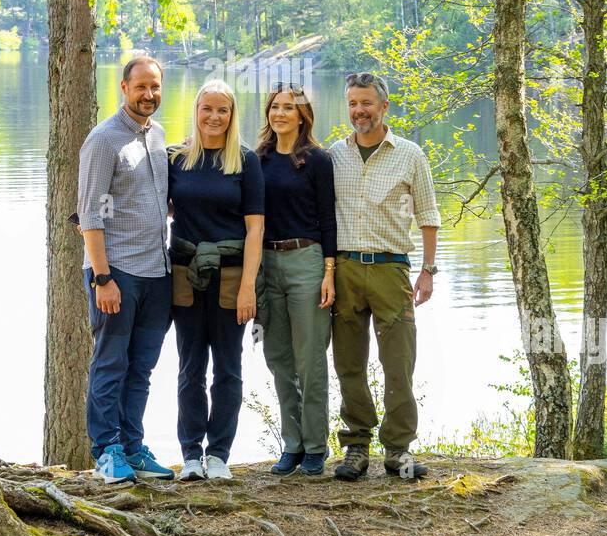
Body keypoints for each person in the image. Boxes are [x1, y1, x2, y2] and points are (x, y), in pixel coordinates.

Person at [328, 71, 440, 481]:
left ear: (384, 106)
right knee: (348, 364)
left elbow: (429, 217)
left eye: (367, 103)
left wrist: (427, 272)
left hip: (392, 269)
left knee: (399, 364)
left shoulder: (410, 154)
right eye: (354, 104)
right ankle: (356, 446)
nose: (360, 111)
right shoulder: (334, 155)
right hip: (345, 270)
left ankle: (398, 451)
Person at [77, 56, 174, 485]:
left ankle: (134, 447)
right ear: (123, 87)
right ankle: (107, 451)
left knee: (142, 368)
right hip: (117, 272)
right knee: (111, 363)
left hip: (157, 271)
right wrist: (102, 277)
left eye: (155, 87)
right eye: (141, 87)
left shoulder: (158, 138)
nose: (149, 95)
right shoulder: (103, 141)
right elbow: (90, 215)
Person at [168, 79, 264, 481]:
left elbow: (255, 230)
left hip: (231, 276)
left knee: (228, 367)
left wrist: (248, 287)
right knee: (190, 366)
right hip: (185, 274)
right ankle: (191, 454)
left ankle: (219, 454)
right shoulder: (176, 159)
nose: (214, 116)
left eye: (222, 109)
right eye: (207, 108)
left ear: (232, 114)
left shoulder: (245, 161)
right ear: (196, 110)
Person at [256, 84, 336, 477]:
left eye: (289, 108)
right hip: (268, 264)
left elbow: (328, 219)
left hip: (308, 262)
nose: (280, 114)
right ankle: (292, 446)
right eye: (275, 107)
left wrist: (329, 272)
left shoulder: (318, 160)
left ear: (303, 116)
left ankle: (316, 446)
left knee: (310, 360)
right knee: (280, 360)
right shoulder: (259, 160)